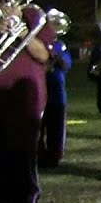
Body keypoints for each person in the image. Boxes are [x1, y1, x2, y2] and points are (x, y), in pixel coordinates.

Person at [0, 0, 55, 203]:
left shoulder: (36, 16)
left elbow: (43, 55)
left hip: (25, 97)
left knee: (22, 155)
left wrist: (21, 30)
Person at [37, 25, 72, 169]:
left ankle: (54, 158)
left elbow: (64, 66)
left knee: (56, 130)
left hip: (57, 95)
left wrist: (55, 57)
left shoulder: (60, 47)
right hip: (39, 94)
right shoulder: (38, 44)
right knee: (36, 129)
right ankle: (39, 155)